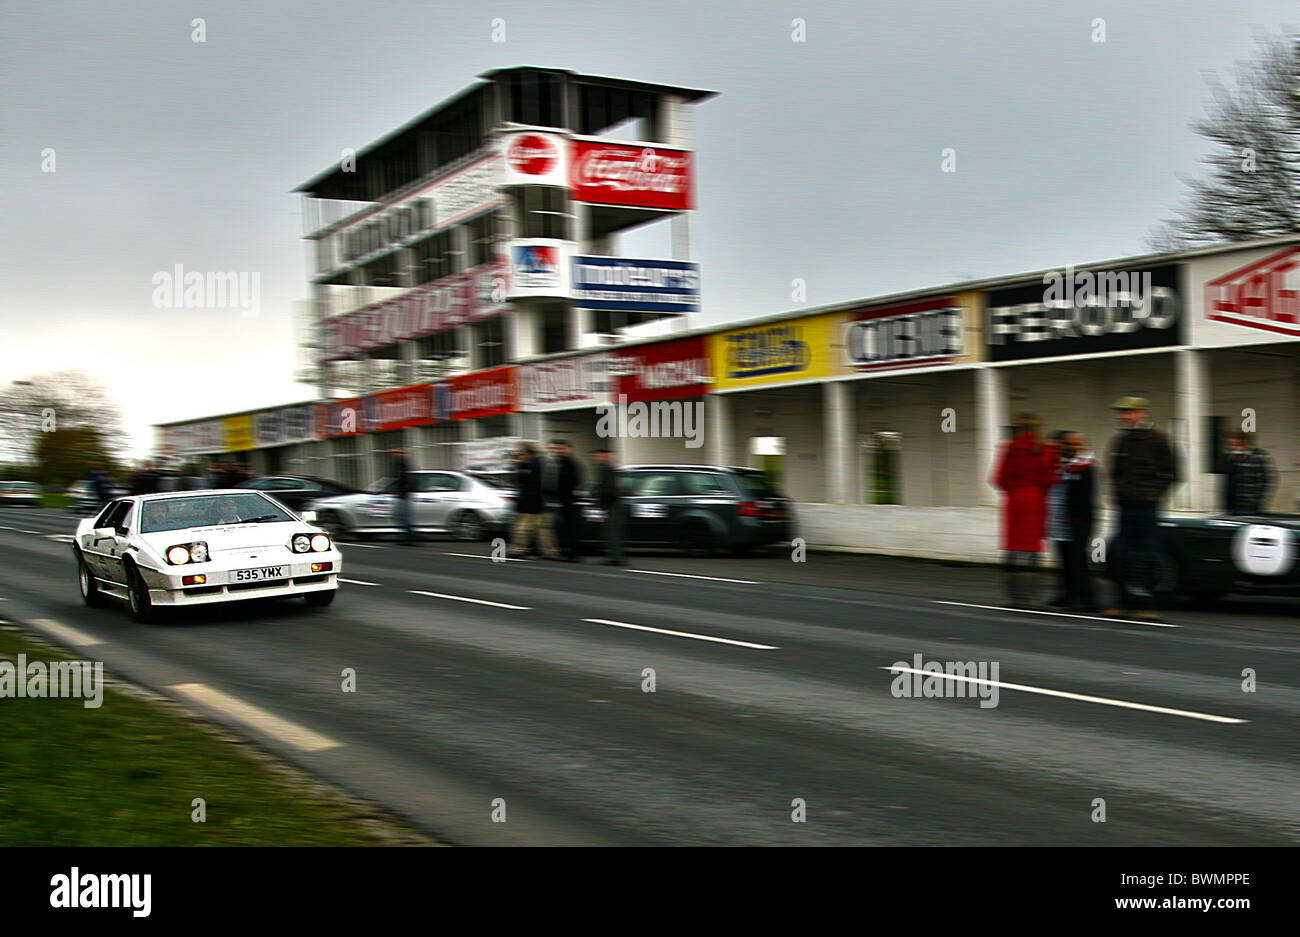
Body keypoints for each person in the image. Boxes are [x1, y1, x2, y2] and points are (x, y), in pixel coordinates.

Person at [1105, 396, 1179, 620]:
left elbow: (1173, 472)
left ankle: (1150, 604)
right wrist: (1117, 493)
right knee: (1121, 554)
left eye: (1128, 413)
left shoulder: (1158, 439)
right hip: (1126, 507)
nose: (1123, 417)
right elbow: (1114, 472)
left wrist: (1153, 494)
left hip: (1148, 508)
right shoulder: (1121, 441)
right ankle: (1122, 602)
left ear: (1141, 414)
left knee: (1150, 555)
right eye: (1122, 413)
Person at [992, 413, 1055, 607]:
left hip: (1015, 501)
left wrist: (1013, 490)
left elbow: (998, 479)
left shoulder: (1010, 449)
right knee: (1033, 549)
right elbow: (1051, 479)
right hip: (1036, 500)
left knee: (1012, 548)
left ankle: (1012, 595)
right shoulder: (1045, 449)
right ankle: (1030, 595)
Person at [1046, 431, 1097, 612]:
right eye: (1065, 444)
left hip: (1079, 520)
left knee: (1079, 560)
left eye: (1073, 444)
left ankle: (1089, 599)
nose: (1068, 447)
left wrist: (1078, 518)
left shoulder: (1086, 467)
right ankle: (1067, 595)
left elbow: (1086, 496)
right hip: (1059, 519)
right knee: (1064, 560)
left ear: (1081, 446)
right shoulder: (1058, 466)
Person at [508, 443, 558, 559]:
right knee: (543, 529)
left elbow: (522, 481)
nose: (518, 455)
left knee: (522, 527)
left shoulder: (528, 465)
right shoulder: (542, 463)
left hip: (529, 501)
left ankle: (518, 549)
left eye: (520, 453)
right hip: (539, 501)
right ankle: (550, 551)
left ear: (526, 453)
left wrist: (517, 465)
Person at [1222, 431, 1276, 515]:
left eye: (1235, 445)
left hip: (1252, 506)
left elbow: (1268, 479)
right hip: (1234, 507)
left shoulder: (1258, 457)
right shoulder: (1232, 459)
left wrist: (1259, 501)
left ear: (1244, 443)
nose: (1233, 448)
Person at [590, 448, 625, 566]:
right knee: (610, 532)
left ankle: (616, 558)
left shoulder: (607, 470)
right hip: (609, 504)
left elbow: (608, 489)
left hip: (611, 504)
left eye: (599, 456)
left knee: (612, 532)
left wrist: (600, 499)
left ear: (607, 457)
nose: (597, 459)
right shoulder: (605, 469)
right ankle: (614, 556)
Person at [389, 447, 418, 546]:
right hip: (403, 494)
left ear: (402, 454)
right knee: (402, 516)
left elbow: (403, 480)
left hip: (404, 494)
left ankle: (410, 537)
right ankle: (409, 536)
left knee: (401, 516)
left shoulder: (402, 464)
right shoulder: (401, 464)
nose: (393, 454)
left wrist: (401, 492)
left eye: (396, 452)